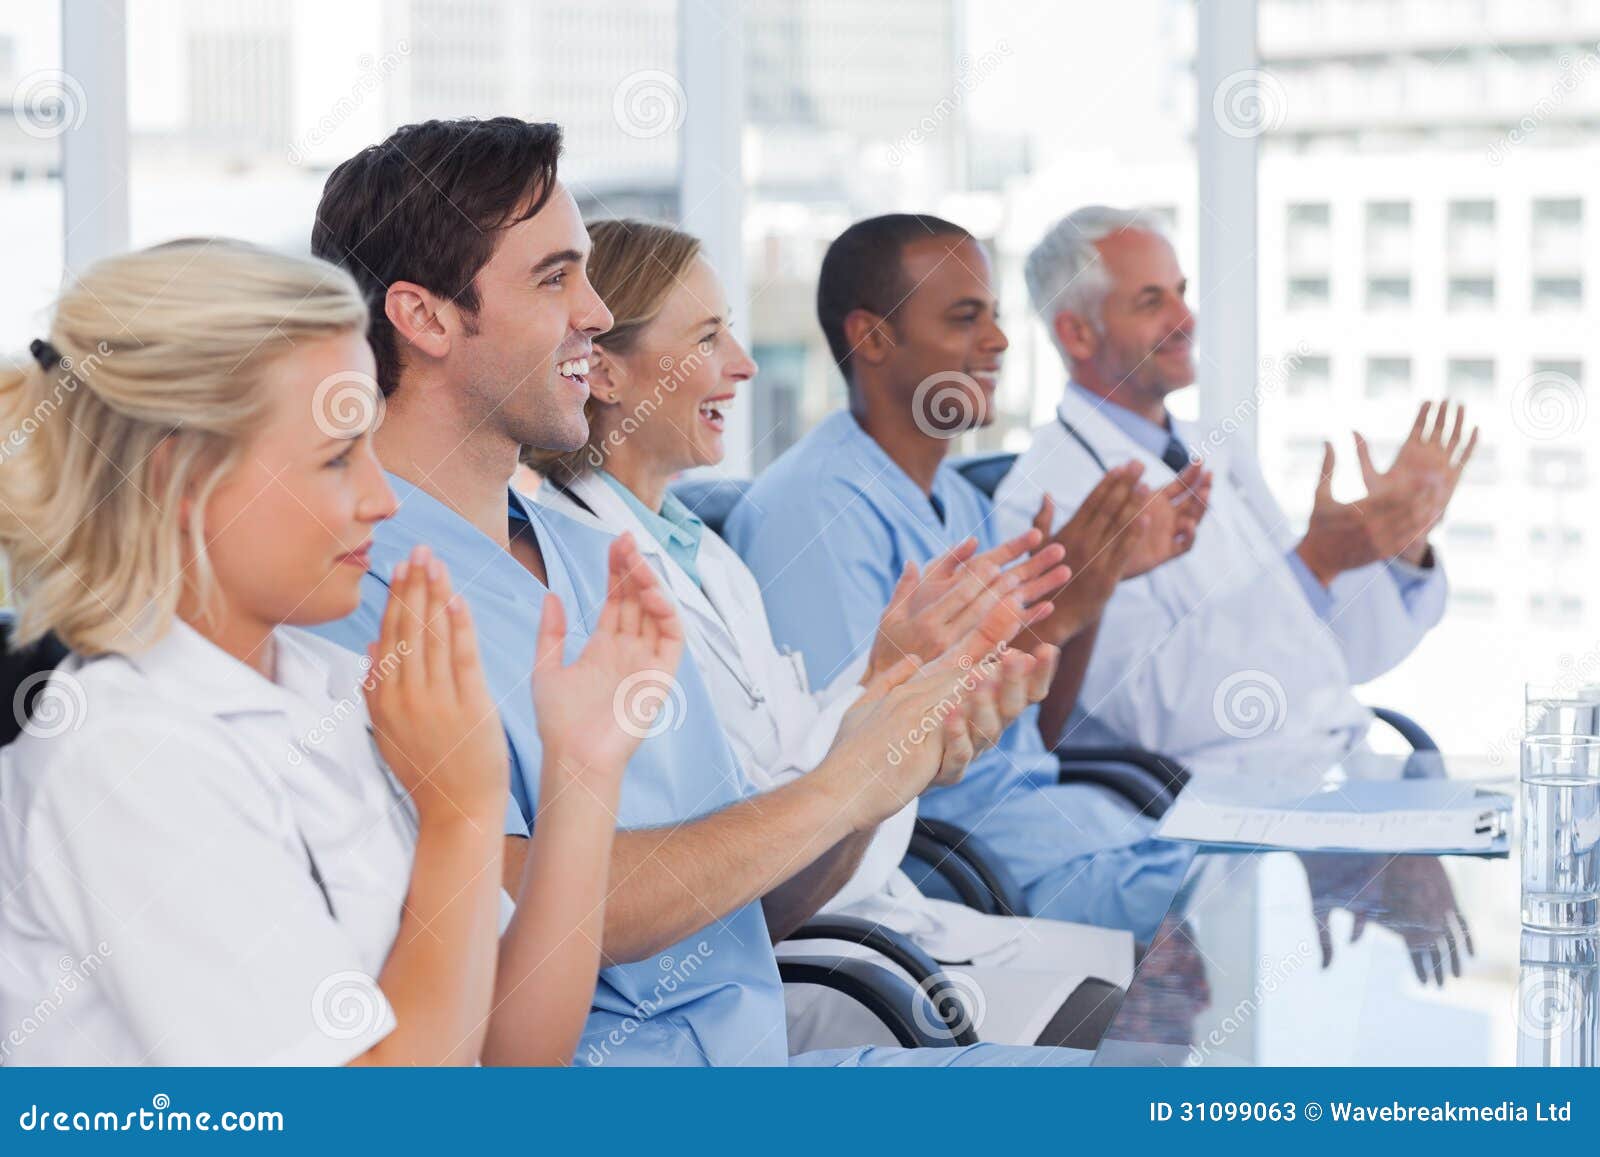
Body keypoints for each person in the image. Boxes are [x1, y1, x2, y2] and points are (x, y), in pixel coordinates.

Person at [310, 116, 1086, 1066]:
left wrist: (882, 774)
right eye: (556, 278)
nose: (595, 315)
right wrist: (840, 784)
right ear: (425, 317)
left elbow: (747, 902)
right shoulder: (351, 593)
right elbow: (534, 918)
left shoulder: (602, 562)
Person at [0, 239, 662, 1066]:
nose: (382, 500)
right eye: (337, 458)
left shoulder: (336, 690)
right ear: (183, 480)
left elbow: (517, 1055)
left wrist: (583, 765)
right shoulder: (125, 759)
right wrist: (459, 816)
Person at [527, 218, 1138, 1050]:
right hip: (800, 959)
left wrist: (899, 682)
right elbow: (753, 828)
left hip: (862, 920)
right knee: (1137, 1025)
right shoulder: (578, 574)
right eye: (708, 338)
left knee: (1165, 1001)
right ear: (603, 368)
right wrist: (895, 691)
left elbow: (800, 775)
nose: (743, 364)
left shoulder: (701, 552)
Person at [726, 213, 1201, 939]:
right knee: (1253, 920)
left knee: (1269, 884)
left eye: (998, 317)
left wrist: (1089, 591)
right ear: (874, 336)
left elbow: (1032, 728)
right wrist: (1059, 607)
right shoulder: (814, 514)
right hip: (967, 866)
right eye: (963, 318)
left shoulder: (961, 500)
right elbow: (853, 763)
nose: (1001, 342)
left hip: (1072, 828)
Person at [994, 206, 1477, 777]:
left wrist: (1396, 546)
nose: (1185, 319)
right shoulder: (1044, 495)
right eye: (1152, 303)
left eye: (1181, 293)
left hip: (1333, 771)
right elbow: (1153, 708)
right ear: (1076, 332)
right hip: (1212, 807)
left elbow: (1340, 652)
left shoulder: (1215, 450)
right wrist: (1315, 565)